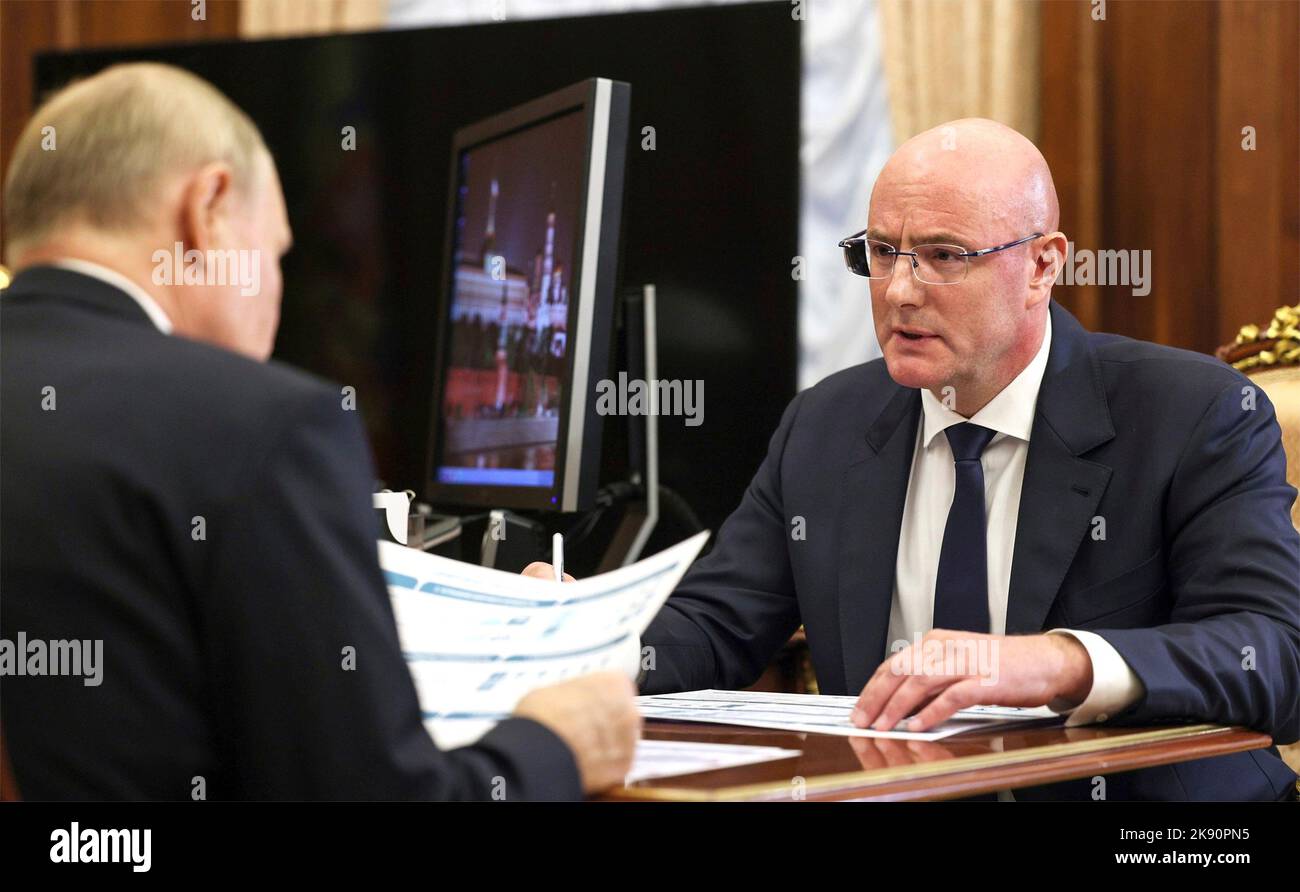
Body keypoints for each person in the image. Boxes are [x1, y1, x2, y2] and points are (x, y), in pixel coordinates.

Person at [0, 62, 639, 801]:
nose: (276, 295)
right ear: (206, 210)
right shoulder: (255, 423)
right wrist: (555, 745)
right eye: (276, 255)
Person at [631, 119, 1299, 801]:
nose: (898, 290)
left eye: (944, 255)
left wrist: (1060, 662)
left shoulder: (1190, 413)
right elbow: (715, 625)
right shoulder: (826, 425)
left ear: (1043, 264)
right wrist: (570, 638)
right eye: (883, 252)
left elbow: (1274, 653)